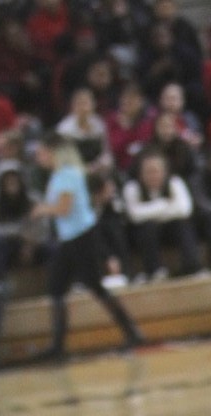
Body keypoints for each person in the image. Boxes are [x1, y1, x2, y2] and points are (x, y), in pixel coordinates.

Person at [30, 132, 144, 360]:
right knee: (59, 288)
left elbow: (64, 208)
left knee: (86, 287)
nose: (38, 157)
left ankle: (132, 332)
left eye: (41, 152)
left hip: (80, 238)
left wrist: (42, 209)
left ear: (54, 153)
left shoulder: (65, 175)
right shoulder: (65, 174)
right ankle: (59, 346)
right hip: (73, 238)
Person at [121, 148, 206, 282]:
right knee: (147, 227)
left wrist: (151, 212)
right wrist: (165, 204)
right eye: (148, 171)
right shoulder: (132, 187)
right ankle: (155, 272)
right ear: (140, 173)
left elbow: (184, 210)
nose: (153, 175)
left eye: (156, 171)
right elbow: (135, 215)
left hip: (171, 231)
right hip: (143, 235)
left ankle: (193, 267)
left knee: (183, 225)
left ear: (165, 171)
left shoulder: (175, 182)